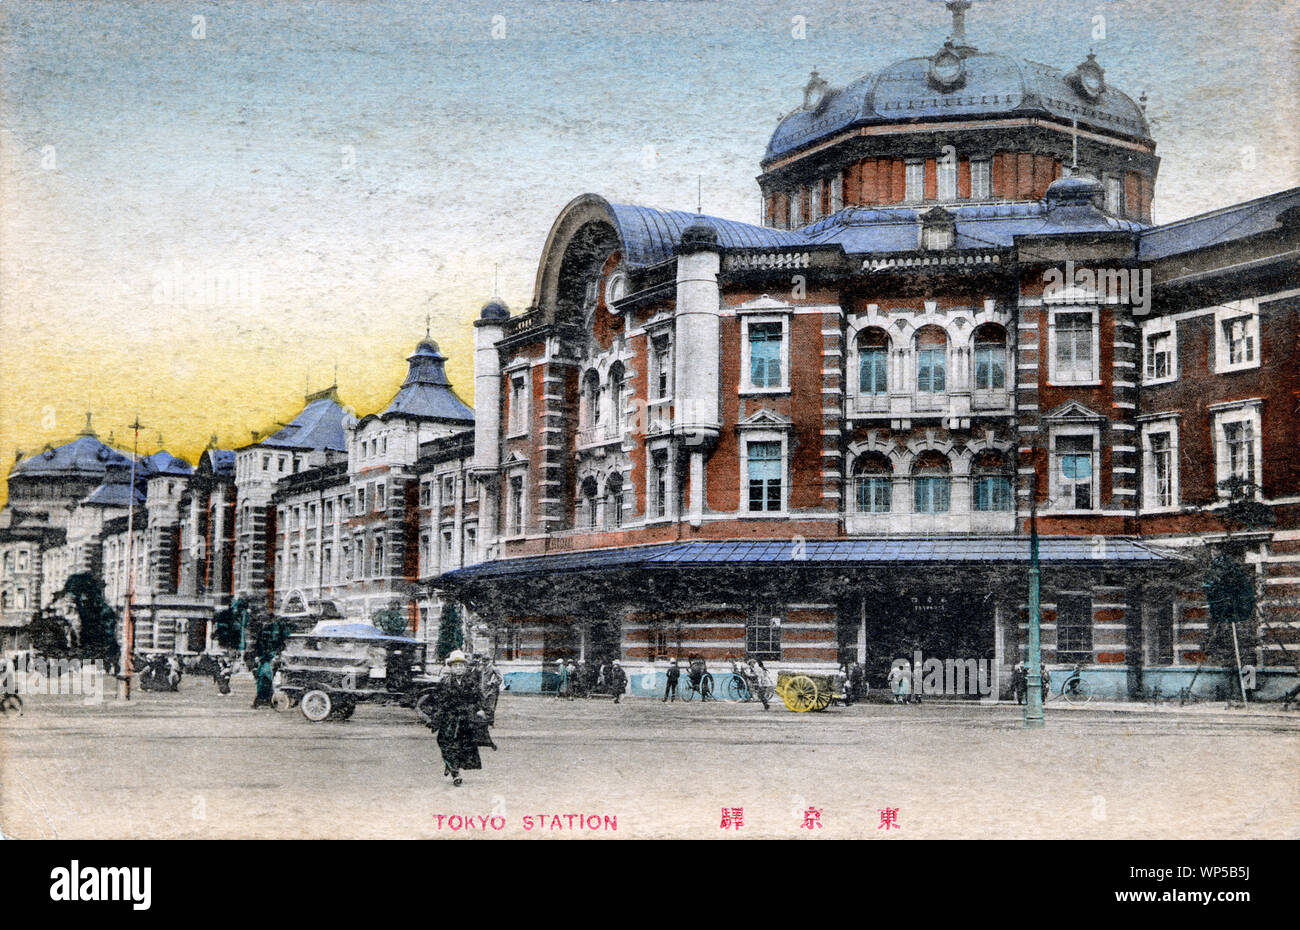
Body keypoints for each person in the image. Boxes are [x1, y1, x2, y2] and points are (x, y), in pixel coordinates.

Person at [429, 650, 489, 787]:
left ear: (465, 667)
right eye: (455, 666)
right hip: (449, 720)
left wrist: (479, 709)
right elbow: (438, 701)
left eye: (461, 665)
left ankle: (453, 768)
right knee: (444, 743)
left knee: (461, 746)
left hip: (465, 719)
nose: (459, 668)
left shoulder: (471, 682)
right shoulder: (444, 682)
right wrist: (435, 718)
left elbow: (479, 698)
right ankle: (454, 770)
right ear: (450, 667)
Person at [479, 656, 503, 725]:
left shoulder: (493, 668)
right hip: (483, 690)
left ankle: (490, 722)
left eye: (485, 661)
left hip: (492, 690)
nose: (483, 663)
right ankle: (485, 721)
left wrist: (492, 683)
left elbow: (500, 679)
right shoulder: (482, 668)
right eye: (483, 661)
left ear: (488, 661)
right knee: (483, 705)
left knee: (490, 707)